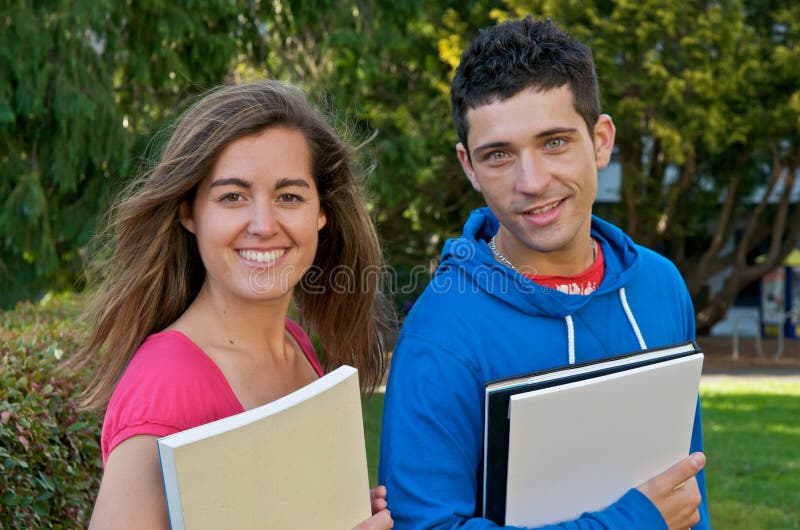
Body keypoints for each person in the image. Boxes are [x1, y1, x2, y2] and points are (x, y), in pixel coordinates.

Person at [379, 17, 710, 529]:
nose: (532, 182)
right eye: (498, 155)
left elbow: (686, 488)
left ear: (600, 141)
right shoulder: (441, 334)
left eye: (554, 142)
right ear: (468, 167)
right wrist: (632, 522)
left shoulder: (661, 286)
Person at [72, 80, 394, 529]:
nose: (263, 225)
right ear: (189, 212)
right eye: (232, 197)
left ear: (322, 211)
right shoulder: (165, 388)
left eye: (289, 196)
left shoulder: (293, 344)